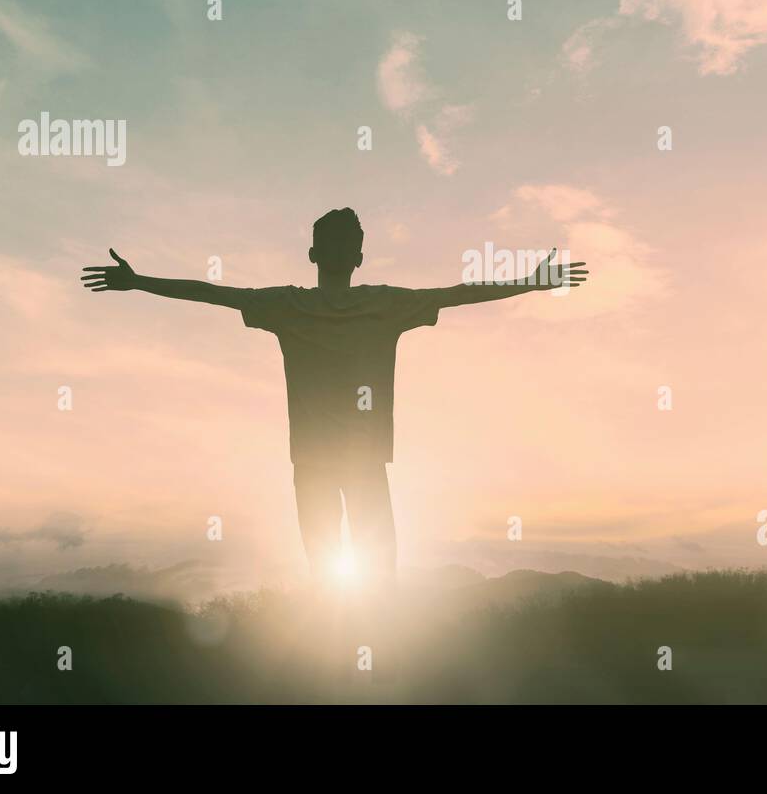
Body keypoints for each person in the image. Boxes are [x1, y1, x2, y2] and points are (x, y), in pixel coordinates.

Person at [80, 208, 587, 592]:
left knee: (328, 570)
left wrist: (138, 282)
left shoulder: (287, 304)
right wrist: (530, 283)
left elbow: (212, 293)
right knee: (375, 571)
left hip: (315, 459)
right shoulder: (385, 303)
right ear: (359, 257)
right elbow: (461, 292)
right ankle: (367, 670)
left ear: (313, 255)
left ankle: (342, 670)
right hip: (363, 459)